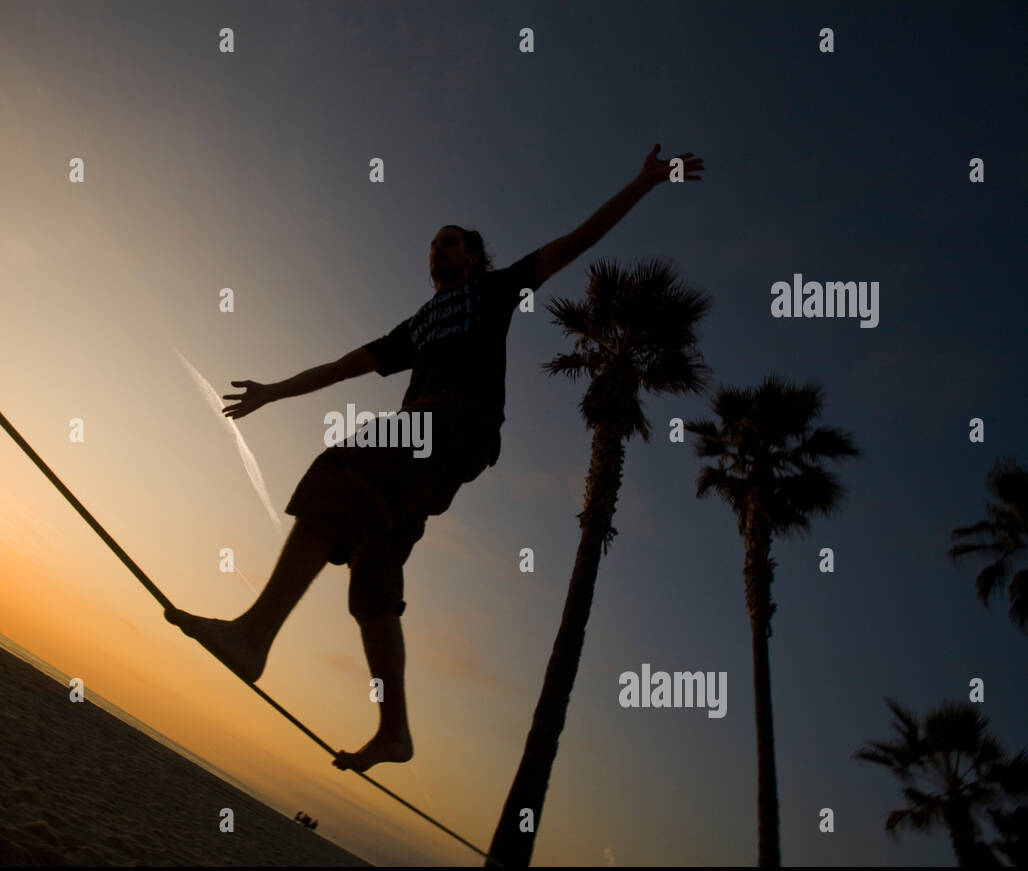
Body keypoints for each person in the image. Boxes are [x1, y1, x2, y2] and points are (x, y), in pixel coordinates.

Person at [166, 144, 704, 773]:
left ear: (472, 257)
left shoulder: (497, 291)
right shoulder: (419, 323)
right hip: (430, 454)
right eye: (433, 246)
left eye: (449, 243)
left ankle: (253, 636)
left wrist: (642, 184)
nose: (438, 251)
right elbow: (345, 367)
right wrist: (270, 393)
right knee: (372, 574)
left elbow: (577, 240)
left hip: (460, 422)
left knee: (344, 468)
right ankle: (395, 733)